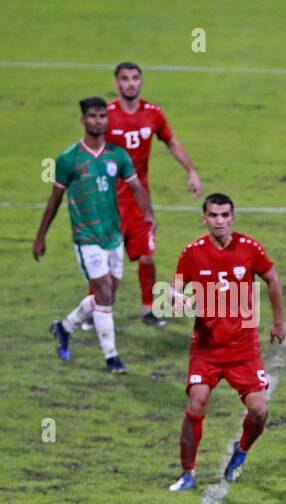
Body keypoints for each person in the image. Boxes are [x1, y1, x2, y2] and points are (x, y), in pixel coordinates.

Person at [168, 194, 285, 491]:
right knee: (197, 403)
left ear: (233, 217)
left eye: (224, 215)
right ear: (204, 218)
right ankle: (187, 472)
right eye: (213, 215)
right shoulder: (193, 252)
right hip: (206, 349)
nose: (219, 221)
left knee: (259, 410)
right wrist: (176, 297)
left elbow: (272, 279)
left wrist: (278, 322)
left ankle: (241, 450)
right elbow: (175, 288)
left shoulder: (249, 249)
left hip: (243, 349)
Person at [33, 96, 155, 374]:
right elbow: (54, 201)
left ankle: (64, 327)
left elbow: (136, 187)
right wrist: (41, 237)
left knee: (108, 296)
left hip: (113, 235)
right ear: (83, 120)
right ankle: (112, 357)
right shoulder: (67, 159)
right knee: (102, 293)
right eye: (92, 116)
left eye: (102, 116)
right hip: (87, 238)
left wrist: (150, 215)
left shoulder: (117, 155)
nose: (98, 121)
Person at [103, 61, 202, 328]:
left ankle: (149, 308)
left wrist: (191, 171)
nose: (131, 83)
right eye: (125, 79)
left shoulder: (153, 113)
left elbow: (170, 141)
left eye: (135, 78)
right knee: (106, 260)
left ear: (141, 82)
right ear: (117, 83)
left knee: (147, 255)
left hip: (138, 201)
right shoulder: (106, 115)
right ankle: (98, 309)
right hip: (108, 200)